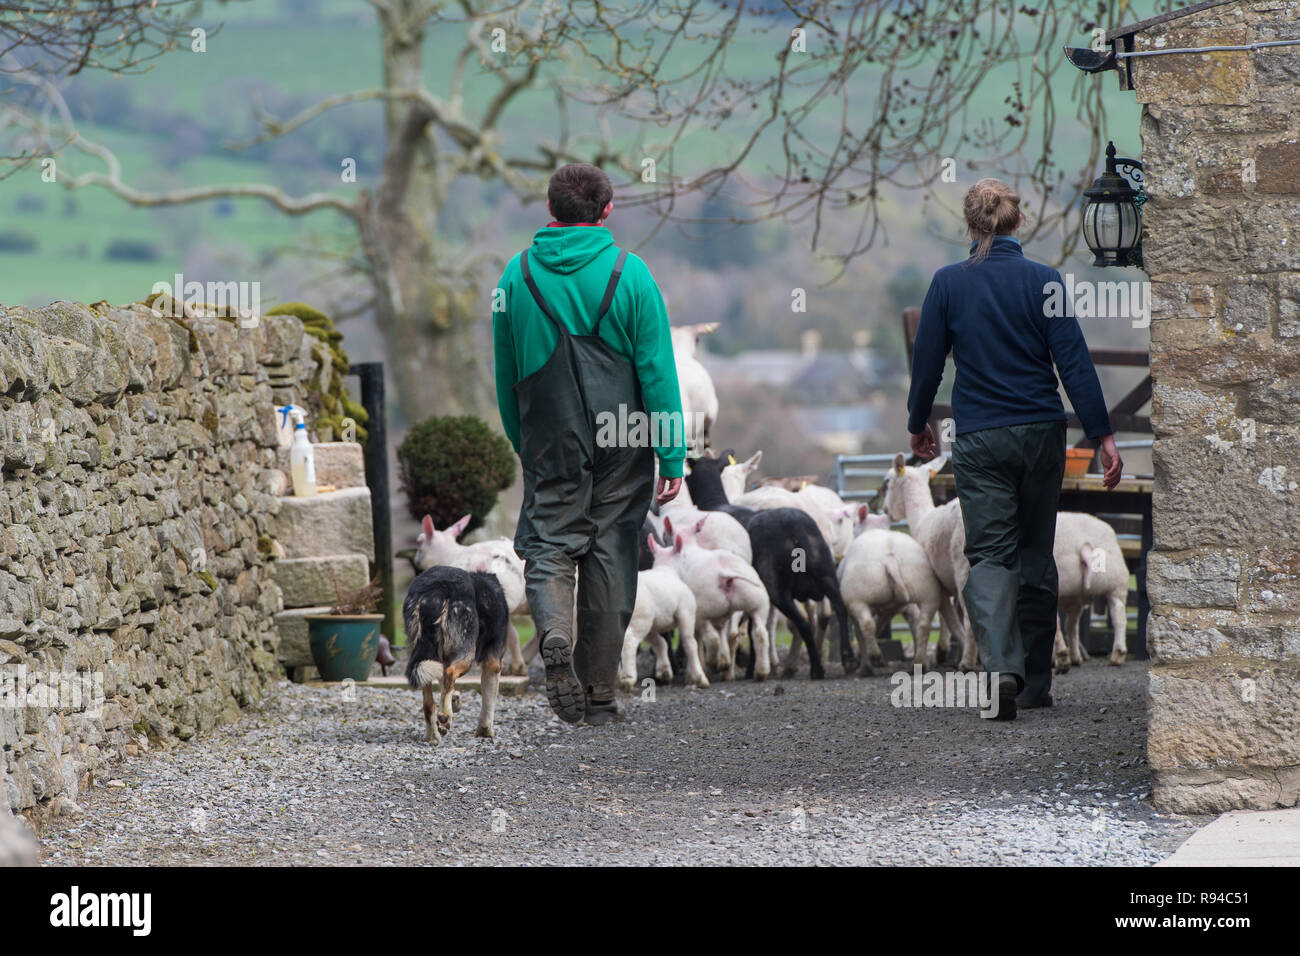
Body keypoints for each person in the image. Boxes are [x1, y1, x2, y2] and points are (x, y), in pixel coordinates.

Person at [906, 178, 1124, 720]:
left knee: (989, 556)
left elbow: (928, 361)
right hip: (1041, 434)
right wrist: (1103, 435)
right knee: (1035, 551)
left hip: (978, 438)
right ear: (1017, 223)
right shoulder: (1045, 282)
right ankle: (1035, 683)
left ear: (970, 225)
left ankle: (1002, 668)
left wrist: (917, 423)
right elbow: (1073, 363)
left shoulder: (948, 285)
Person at [493, 163, 685, 726]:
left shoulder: (515, 277)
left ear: (551, 209)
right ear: (606, 211)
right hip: (624, 435)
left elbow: (505, 374)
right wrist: (671, 453)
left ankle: (554, 629)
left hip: (549, 433)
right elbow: (658, 371)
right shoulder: (633, 275)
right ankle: (599, 693)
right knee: (611, 553)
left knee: (550, 540)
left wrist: (521, 438)